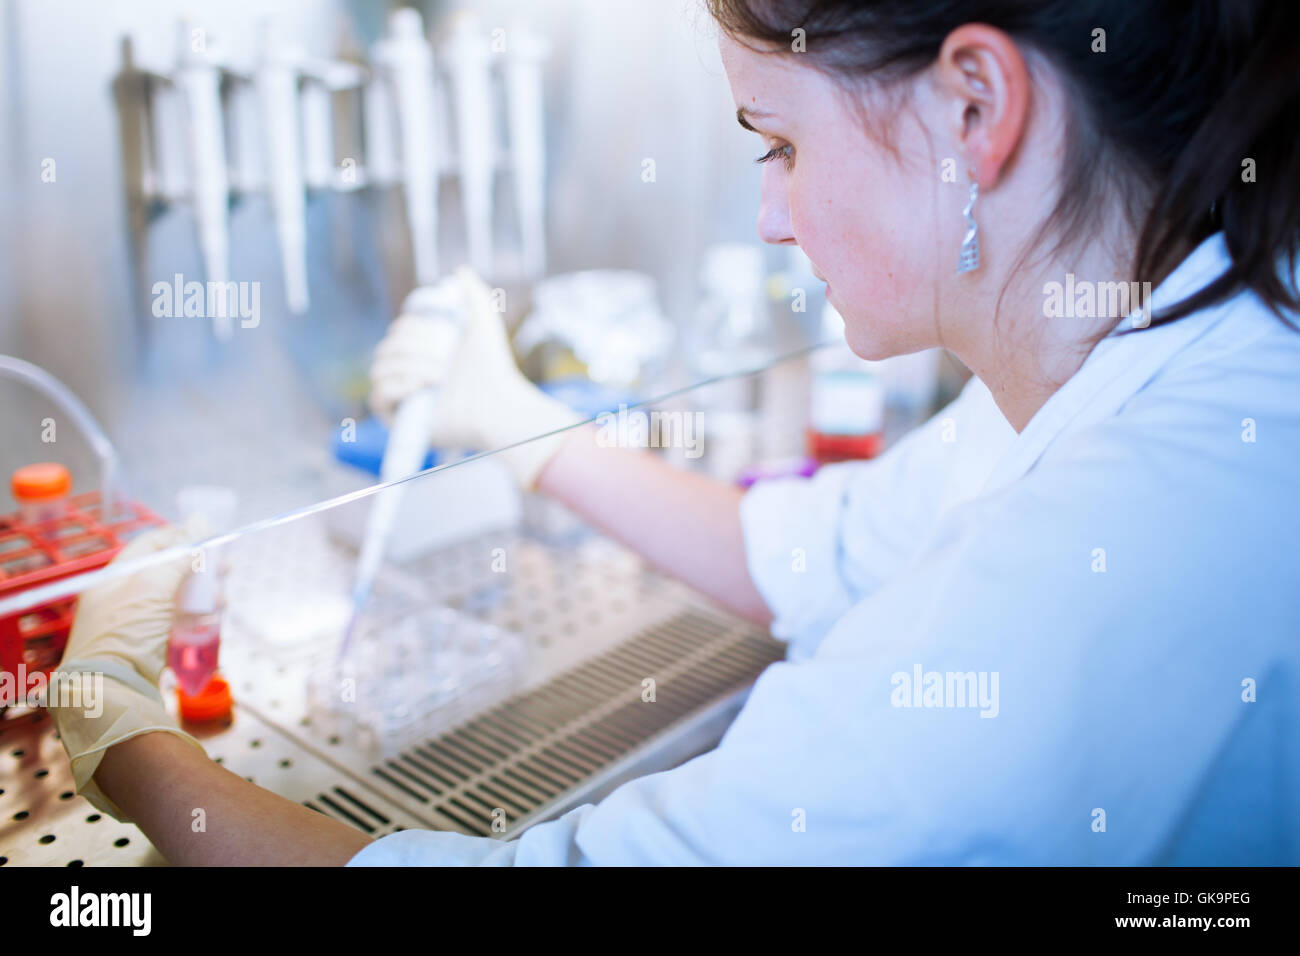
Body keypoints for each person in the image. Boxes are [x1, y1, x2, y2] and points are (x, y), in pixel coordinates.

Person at [50, 0, 1300, 865]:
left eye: (782, 141)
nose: (766, 212)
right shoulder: (1170, 352)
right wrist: (525, 427)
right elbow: (818, 546)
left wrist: (124, 739)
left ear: (974, 106)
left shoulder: (1117, 545)